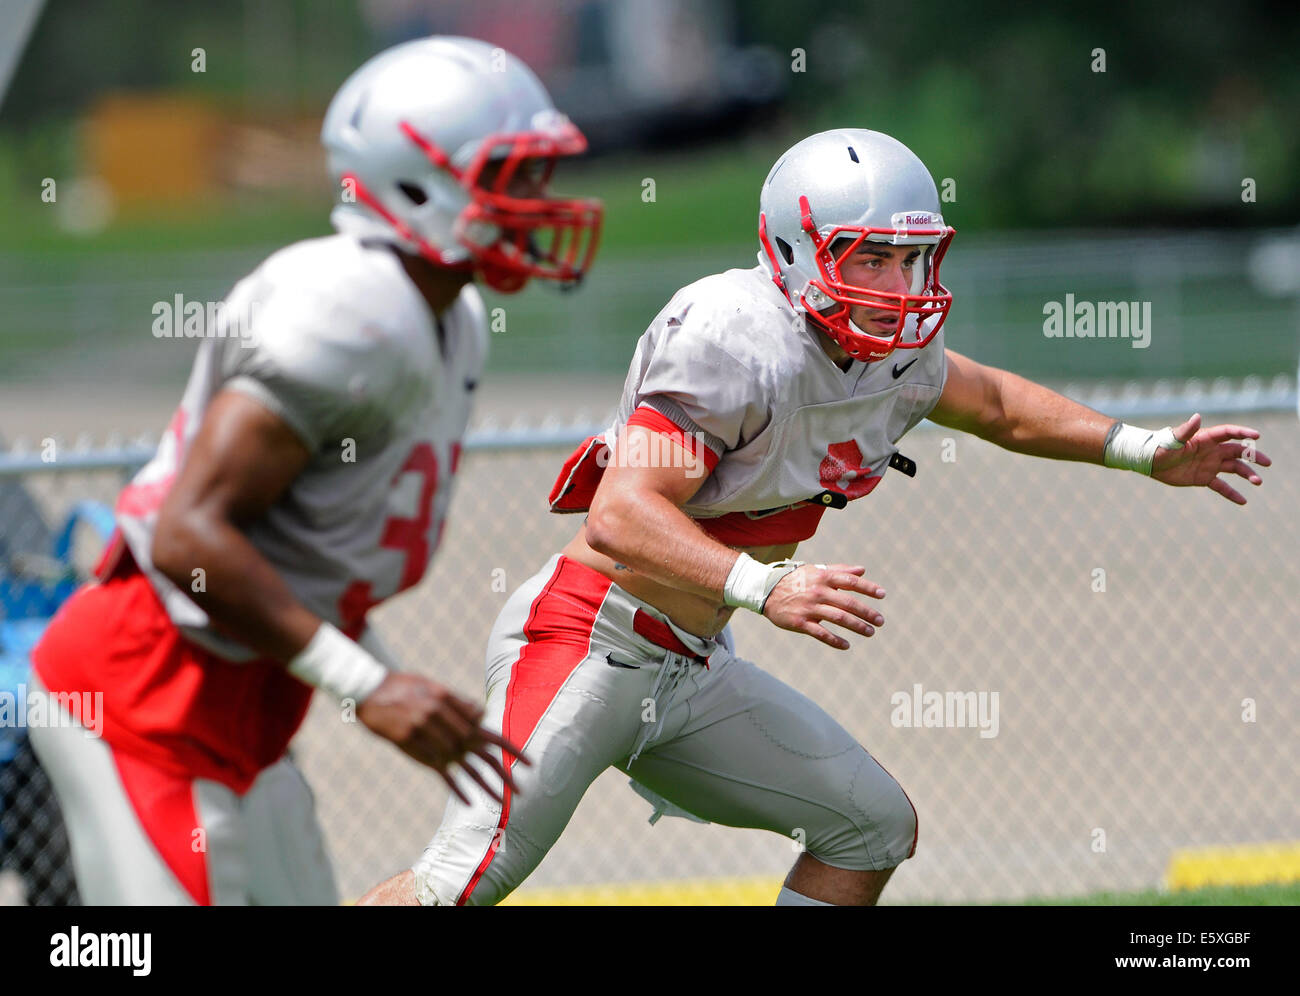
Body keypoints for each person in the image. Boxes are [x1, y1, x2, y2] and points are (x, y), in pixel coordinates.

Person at [359, 128, 1269, 907]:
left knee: (871, 829)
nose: (900, 283)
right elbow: (620, 515)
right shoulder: (731, 336)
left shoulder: (890, 353)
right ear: (797, 248)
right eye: (871, 256)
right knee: (462, 880)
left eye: (912, 257)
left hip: (690, 664)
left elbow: (995, 405)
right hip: (588, 640)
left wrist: (1142, 451)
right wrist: (765, 586)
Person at [28, 36, 603, 905]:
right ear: (420, 182)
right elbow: (189, 534)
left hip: (247, 711)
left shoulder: (451, 320)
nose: (537, 203)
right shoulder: (352, 306)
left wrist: (386, 681)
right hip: (141, 698)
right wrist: (368, 686)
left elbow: (307, 554)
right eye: (514, 177)